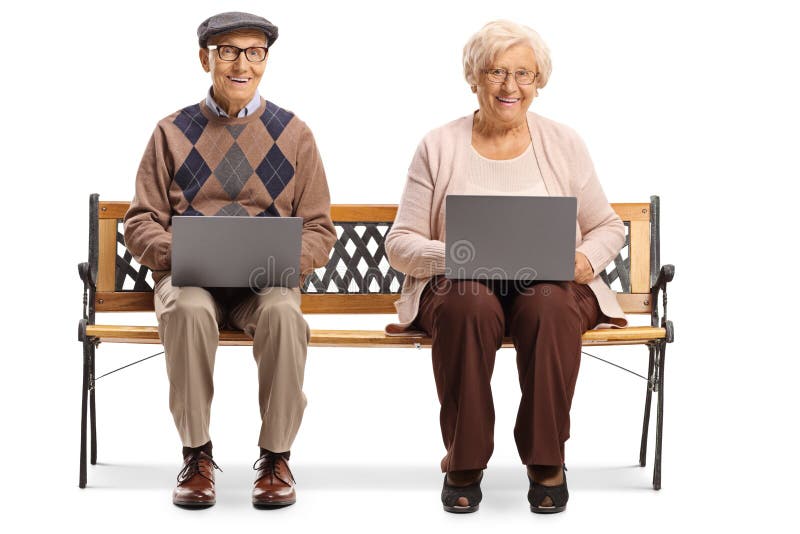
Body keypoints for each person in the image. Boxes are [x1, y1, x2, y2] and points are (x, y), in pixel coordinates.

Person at [385, 20, 628, 514]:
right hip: (462, 285)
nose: (510, 86)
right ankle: (465, 460)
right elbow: (400, 243)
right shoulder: (439, 145)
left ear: (539, 82)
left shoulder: (564, 143)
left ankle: (546, 460)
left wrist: (586, 259)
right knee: (468, 305)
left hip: (551, 286)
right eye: (497, 72)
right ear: (474, 78)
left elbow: (609, 226)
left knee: (548, 307)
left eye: (524, 74)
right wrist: (456, 255)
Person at [123, 11, 336, 508]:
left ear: (265, 60)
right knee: (189, 309)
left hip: (265, 281)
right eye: (229, 52)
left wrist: (287, 260)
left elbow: (320, 228)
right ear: (206, 59)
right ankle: (196, 455)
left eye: (254, 52)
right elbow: (140, 221)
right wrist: (184, 253)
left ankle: (276, 456)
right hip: (191, 277)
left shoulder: (295, 133)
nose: (242, 63)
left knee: (285, 314)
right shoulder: (170, 132)